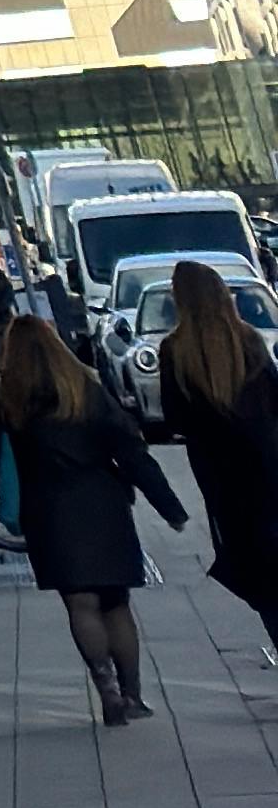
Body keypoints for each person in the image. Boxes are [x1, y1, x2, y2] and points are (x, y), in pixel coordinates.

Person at [0, 310, 186, 720]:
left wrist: (19, 460)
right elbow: (131, 451)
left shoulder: (4, 395)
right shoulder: (84, 388)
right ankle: (133, 695)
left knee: (80, 605)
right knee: (115, 603)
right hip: (102, 503)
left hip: (47, 510)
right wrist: (170, 507)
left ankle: (107, 692)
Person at [150, 262, 278, 666]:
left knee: (252, 565)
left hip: (223, 477)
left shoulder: (175, 351)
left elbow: (174, 420)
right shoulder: (250, 340)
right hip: (270, 465)